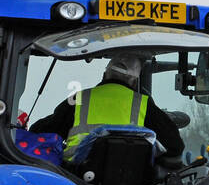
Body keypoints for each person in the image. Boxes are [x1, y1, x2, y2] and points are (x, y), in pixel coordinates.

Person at [28, 54, 186, 161]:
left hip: (77, 180)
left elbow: (39, 131)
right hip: (135, 183)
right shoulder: (145, 104)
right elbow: (175, 146)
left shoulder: (79, 99)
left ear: (104, 75)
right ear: (134, 82)